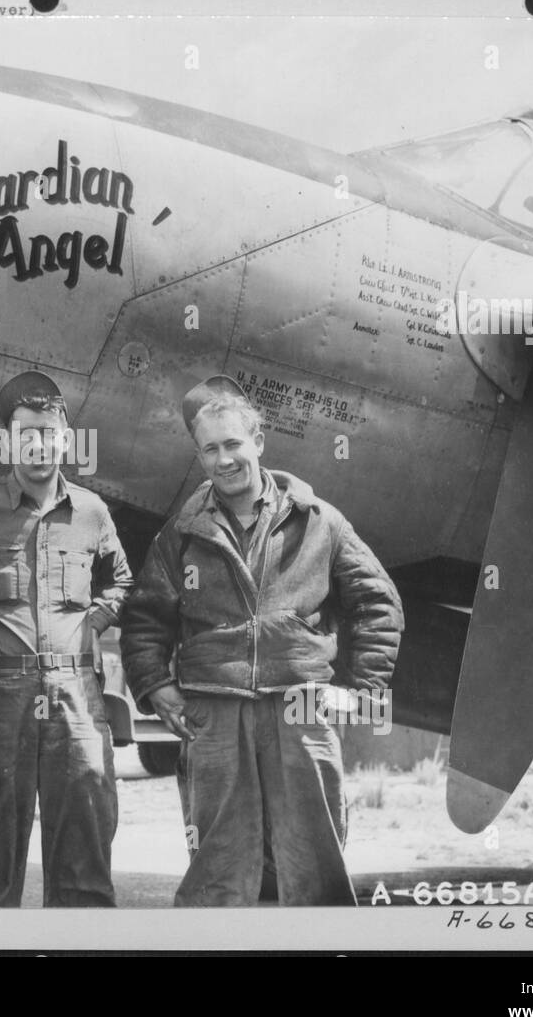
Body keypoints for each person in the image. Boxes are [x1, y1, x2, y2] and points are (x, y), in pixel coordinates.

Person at [120, 376, 403, 906]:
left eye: (233, 444)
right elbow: (144, 617)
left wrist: (363, 690)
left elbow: (377, 603)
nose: (224, 459)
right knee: (218, 866)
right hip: (215, 710)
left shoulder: (319, 522)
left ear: (259, 443)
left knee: (315, 862)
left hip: (301, 707)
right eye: (210, 449)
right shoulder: (182, 532)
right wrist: (156, 686)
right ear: (199, 457)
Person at [0, 371, 133, 907]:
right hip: (0, 697)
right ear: (6, 441)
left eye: (48, 433)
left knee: (85, 847)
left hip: (76, 696)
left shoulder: (93, 512)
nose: (38, 444)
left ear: (66, 440)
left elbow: (119, 579)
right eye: (25, 433)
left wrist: (94, 624)